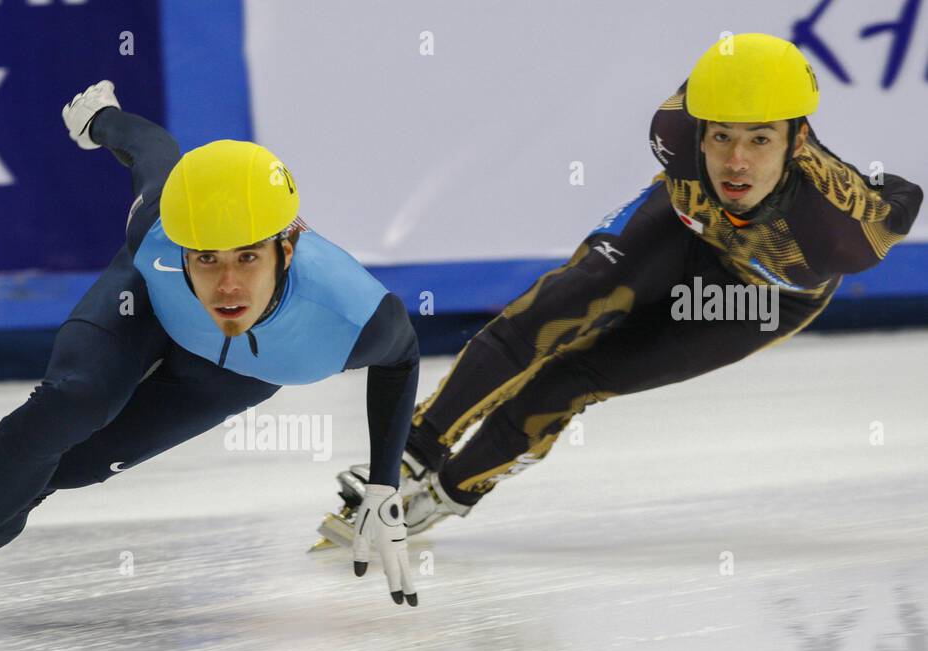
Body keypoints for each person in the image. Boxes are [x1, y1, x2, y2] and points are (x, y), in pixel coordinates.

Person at [0, 80, 422, 617]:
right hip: (143, 307)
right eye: (205, 258)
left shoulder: (350, 313)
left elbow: (402, 359)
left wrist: (384, 484)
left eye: (248, 257)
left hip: (232, 374)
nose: (228, 285)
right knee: (76, 403)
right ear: (181, 248)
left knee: (69, 468)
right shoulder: (158, 230)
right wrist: (99, 118)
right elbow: (153, 152)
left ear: (286, 250)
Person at [330, 33, 921, 539]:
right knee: (561, 303)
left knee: (576, 376)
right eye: (720, 137)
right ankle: (413, 450)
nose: (736, 162)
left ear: (797, 141)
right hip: (683, 230)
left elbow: (904, 194)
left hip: (763, 295)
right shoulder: (671, 129)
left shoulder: (846, 230)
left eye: (760, 140)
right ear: (698, 127)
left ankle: (445, 495)